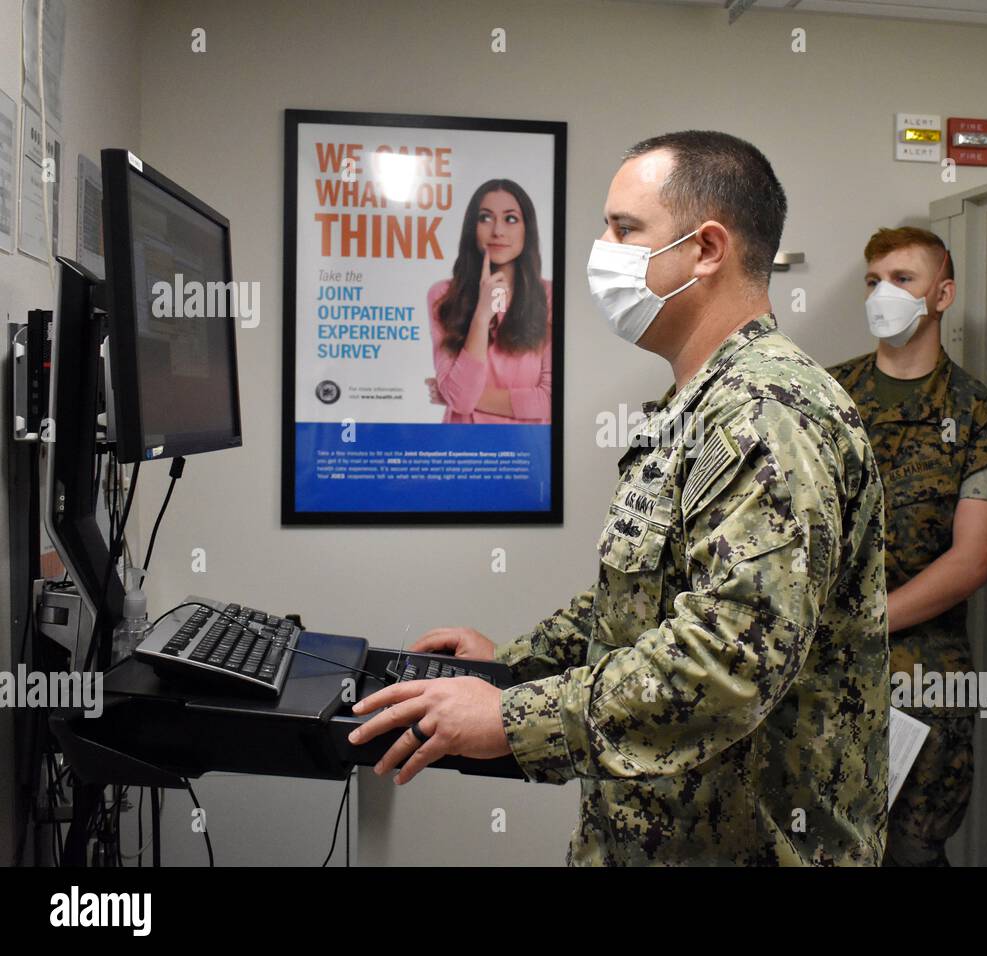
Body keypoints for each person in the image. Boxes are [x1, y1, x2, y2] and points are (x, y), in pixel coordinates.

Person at [348, 130, 890, 866]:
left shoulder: (766, 413)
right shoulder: (696, 403)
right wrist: (512, 663)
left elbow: (726, 662)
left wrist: (511, 716)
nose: (601, 249)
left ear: (706, 249)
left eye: (624, 229)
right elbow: (646, 596)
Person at [826, 226, 987, 867]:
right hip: (821, 673)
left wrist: (867, 622)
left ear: (943, 294)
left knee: (912, 851)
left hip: (924, 681)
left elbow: (973, 559)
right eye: (873, 280)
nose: (884, 293)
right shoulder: (824, 399)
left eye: (902, 279)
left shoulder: (980, 416)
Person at [426, 178, 552, 423]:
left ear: (528, 228)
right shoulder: (443, 295)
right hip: (462, 450)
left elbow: (547, 402)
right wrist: (482, 314)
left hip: (523, 453)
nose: (498, 231)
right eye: (485, 218)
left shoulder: (548, 296)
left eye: (510, 219)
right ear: (472, 227)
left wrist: (454, 394)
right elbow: (461, 401)